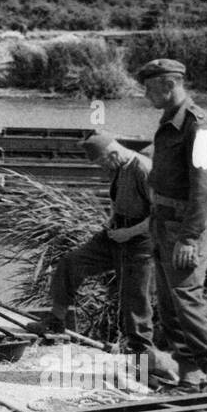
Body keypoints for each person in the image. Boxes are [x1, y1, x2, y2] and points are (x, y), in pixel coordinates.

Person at [46, 133, 178, 386]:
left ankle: (144, 370)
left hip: (140, 241)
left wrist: (127, 233)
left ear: (114, 154)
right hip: (115, 234)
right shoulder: (119, 167)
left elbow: (160, 215)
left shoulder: (144, 169)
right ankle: (55, 321)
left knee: (136, 306)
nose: (101, 169)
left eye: (102, 164)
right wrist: (113, 223)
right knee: (71, 263)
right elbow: (122, 201)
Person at [136, 58, 207, 392]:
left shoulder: (198, 127)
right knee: (169, 302)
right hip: (164, 223)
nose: (146, 95)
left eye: (150, 88)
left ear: (168, 84)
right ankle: (189, 375)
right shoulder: (169, 121)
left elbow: (205, 189)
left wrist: (189, 238)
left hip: (186, 227)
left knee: (187, 297)